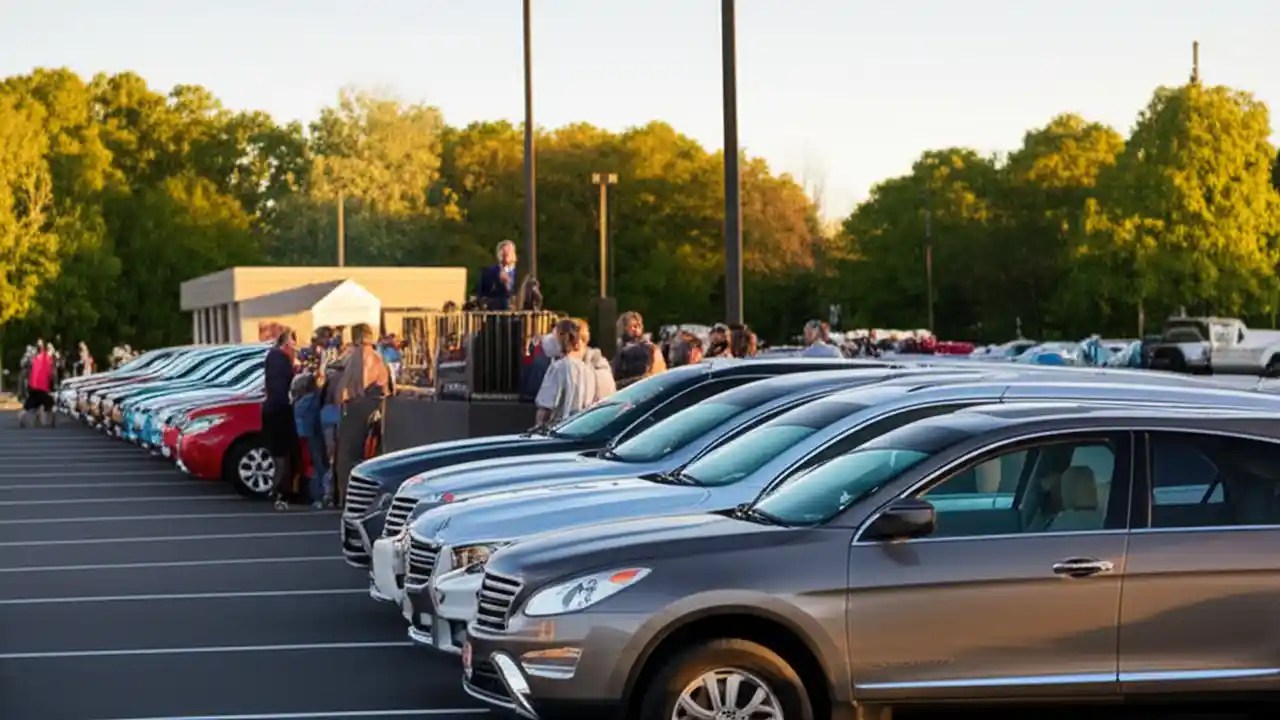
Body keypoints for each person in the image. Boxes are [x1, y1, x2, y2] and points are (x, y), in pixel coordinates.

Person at [534, 318, 615, 426]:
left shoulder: (558, 368)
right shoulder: (594, 370)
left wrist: (538, 429)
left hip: (558, 431)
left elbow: (545, 408)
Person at [263, 330, 299, 511]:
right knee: (283, 455)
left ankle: (278, 490)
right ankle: (281, 492)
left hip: (272, 409)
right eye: (293, 345)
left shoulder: (272, 357)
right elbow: (285, 386)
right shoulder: (281, 360)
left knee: (279, 455)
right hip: (280, 411)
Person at [292, 371, 330, 510]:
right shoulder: (312, 399)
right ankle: (319, 494)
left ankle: (312, 493)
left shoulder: (298, 401)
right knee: (318, 465)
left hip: (304, 436)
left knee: (311, 465)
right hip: (312, 434)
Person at [19, 341, 55, 428]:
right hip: (41, 387)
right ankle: (49, 422)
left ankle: (22, 417)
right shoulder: (46, 358)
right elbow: (50, 374)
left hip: (33, 386)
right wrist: (51, 385)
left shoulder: (35, 358)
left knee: (31, 404)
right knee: (50, 404)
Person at [477, 239, 519, 310]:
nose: (506, 257)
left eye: (509, 253)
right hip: (496, 310)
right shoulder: (491, 271)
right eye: (504, 254)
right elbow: (482, 293)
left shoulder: (520, 273)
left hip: (517, 311)